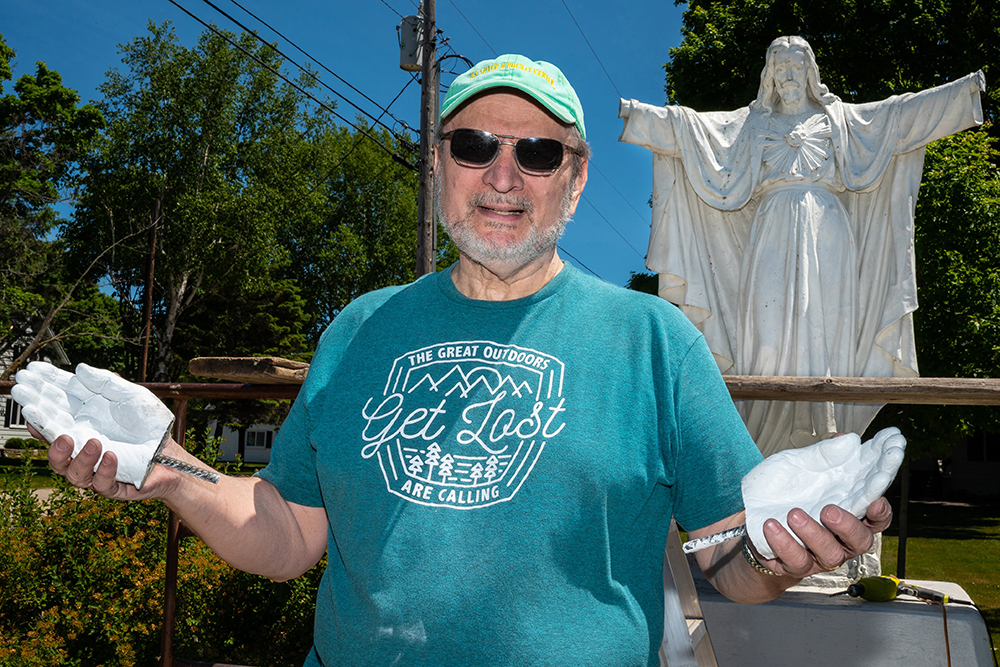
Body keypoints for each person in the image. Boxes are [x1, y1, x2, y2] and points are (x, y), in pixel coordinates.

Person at [32, 54, 892, 667]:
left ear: (578, 177)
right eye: (474, 145)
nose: (504, 175)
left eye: (540, 151)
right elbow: (292, 534)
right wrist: (166, 465)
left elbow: (724, 564)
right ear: (439, 164)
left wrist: (782, 554)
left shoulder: (655, 342)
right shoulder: (359, 329)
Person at [619, 36, 985, 456]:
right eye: (780, 67)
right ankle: (762, 439)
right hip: (771, 233)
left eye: (796, 66)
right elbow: (696, 133)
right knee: (765, 335)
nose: (789, 75)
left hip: (828, 232)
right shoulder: (751, 124)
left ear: (810, 72)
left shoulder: (840, 120)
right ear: (769, 75)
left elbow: (900, 118)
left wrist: (961, 96)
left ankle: (827, 430)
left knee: (825, 330)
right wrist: (639, 118)